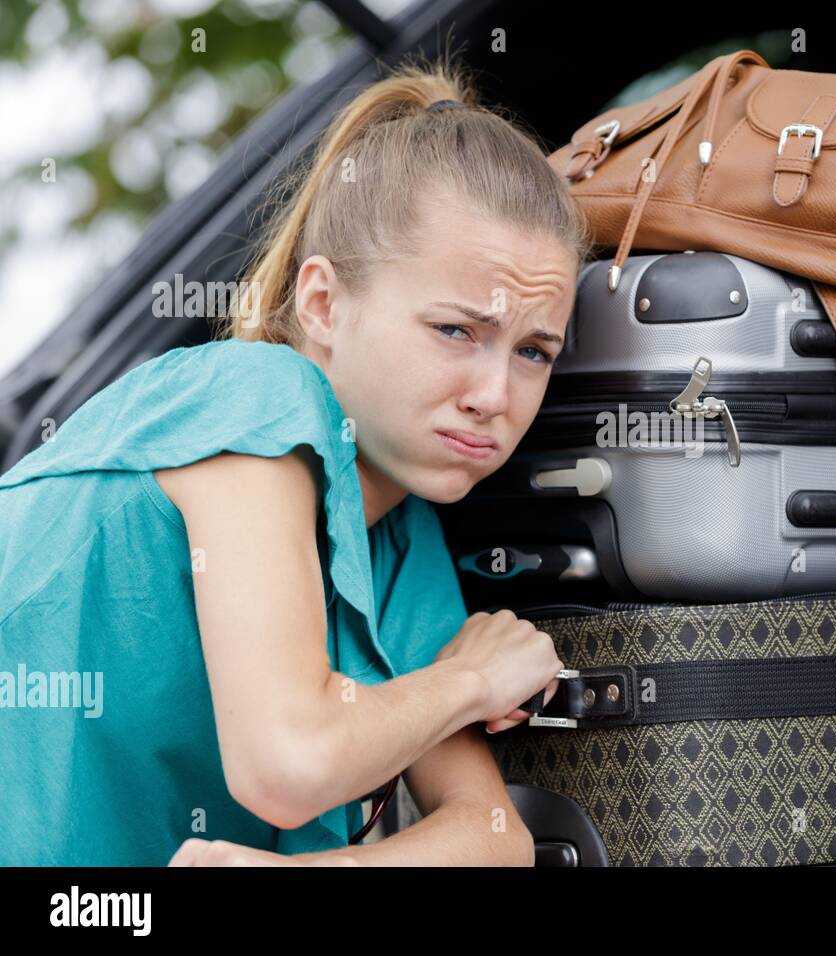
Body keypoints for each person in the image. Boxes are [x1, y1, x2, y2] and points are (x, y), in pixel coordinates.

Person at [0, 58, 593, 866]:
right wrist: (472, 681)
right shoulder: (254, 400)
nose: (495, 394)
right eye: (456, 331)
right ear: (322, 304)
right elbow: (289, 763)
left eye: (533, 350)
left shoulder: (399, 538)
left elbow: (493, 840)